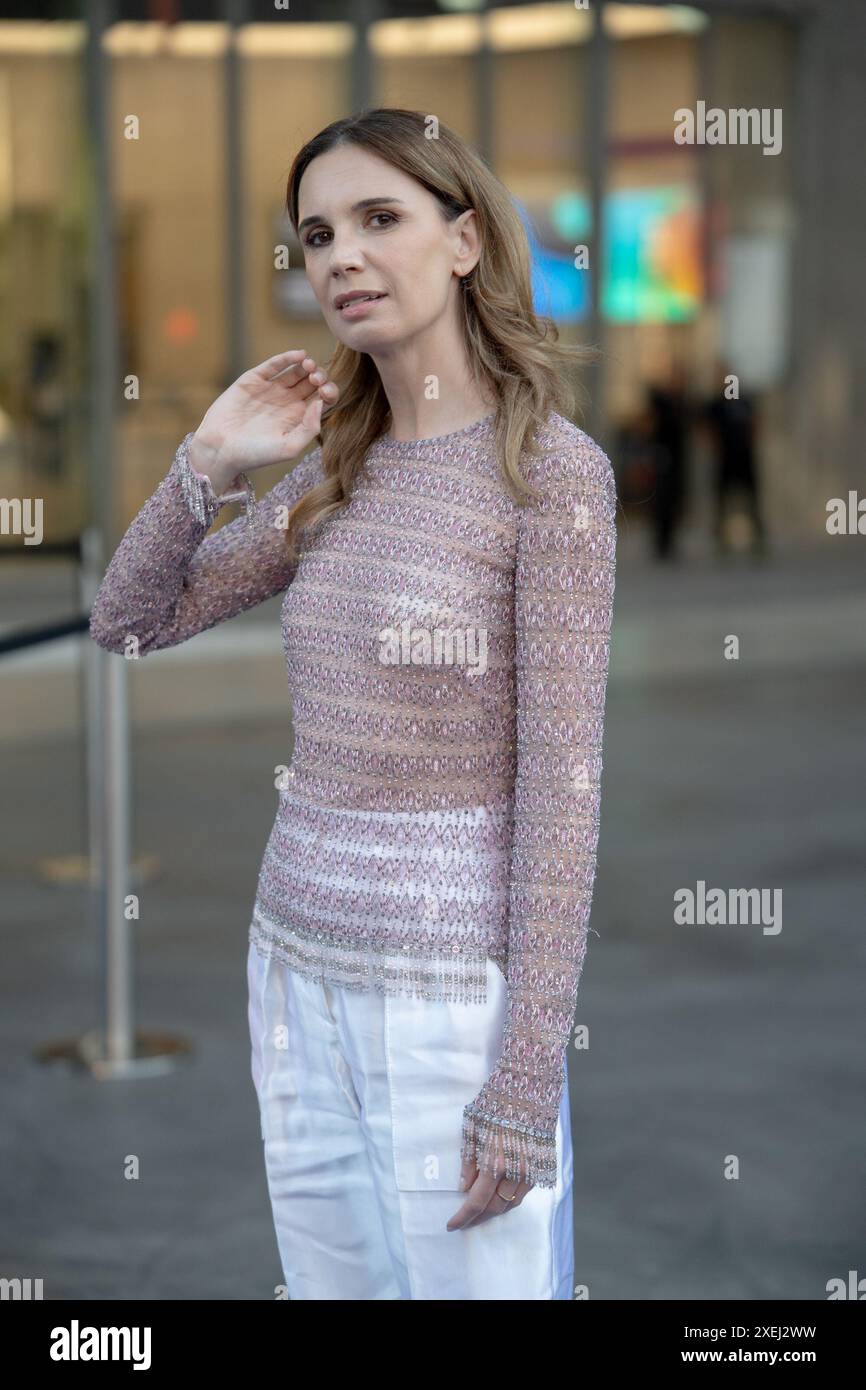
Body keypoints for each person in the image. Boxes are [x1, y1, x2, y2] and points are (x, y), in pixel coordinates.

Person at [89, 107, 618, 1300]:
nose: (338, 256)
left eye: (379, 218)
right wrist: (212, 459)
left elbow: (563, 796)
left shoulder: (550, 478)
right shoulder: (336, 472)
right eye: (315, 233)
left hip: (447, 998)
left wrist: (526, 1078)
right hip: (291, 970)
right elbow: (129, 619)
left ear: (466, 239)